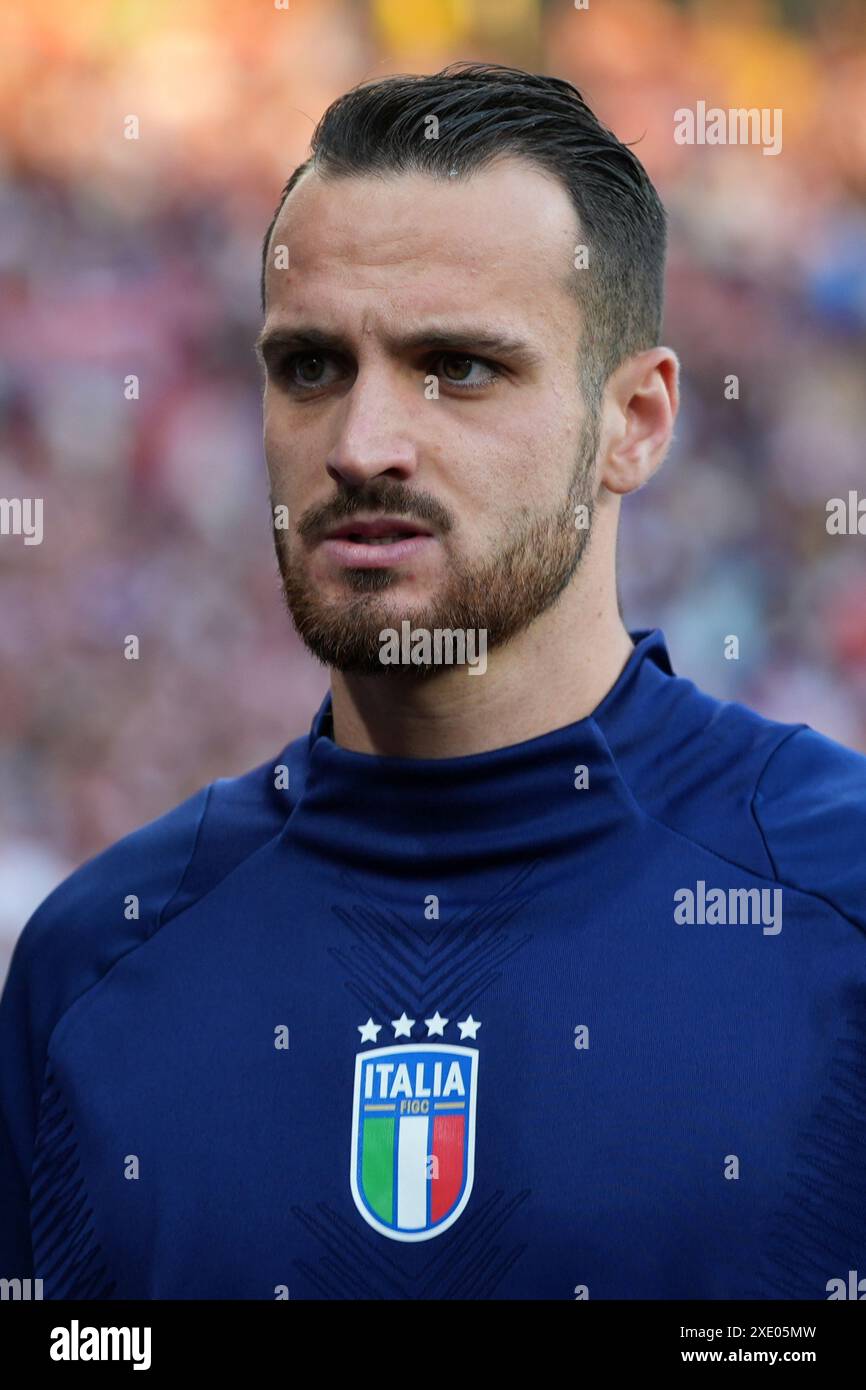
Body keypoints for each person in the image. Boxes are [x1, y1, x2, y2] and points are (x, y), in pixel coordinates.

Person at [1, 62, 864, 1301]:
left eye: (456, 367)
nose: (360, 446)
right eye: (308, 367)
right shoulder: (95, 961)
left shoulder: (834, 902)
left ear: (633, 421)